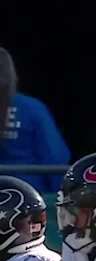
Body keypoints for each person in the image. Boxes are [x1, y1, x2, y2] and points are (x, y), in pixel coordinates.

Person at [0, 48, 70, 194]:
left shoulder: (32, 108)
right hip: (26, 199)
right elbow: (55, 157)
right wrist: (58, 199)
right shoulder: (32, 108)